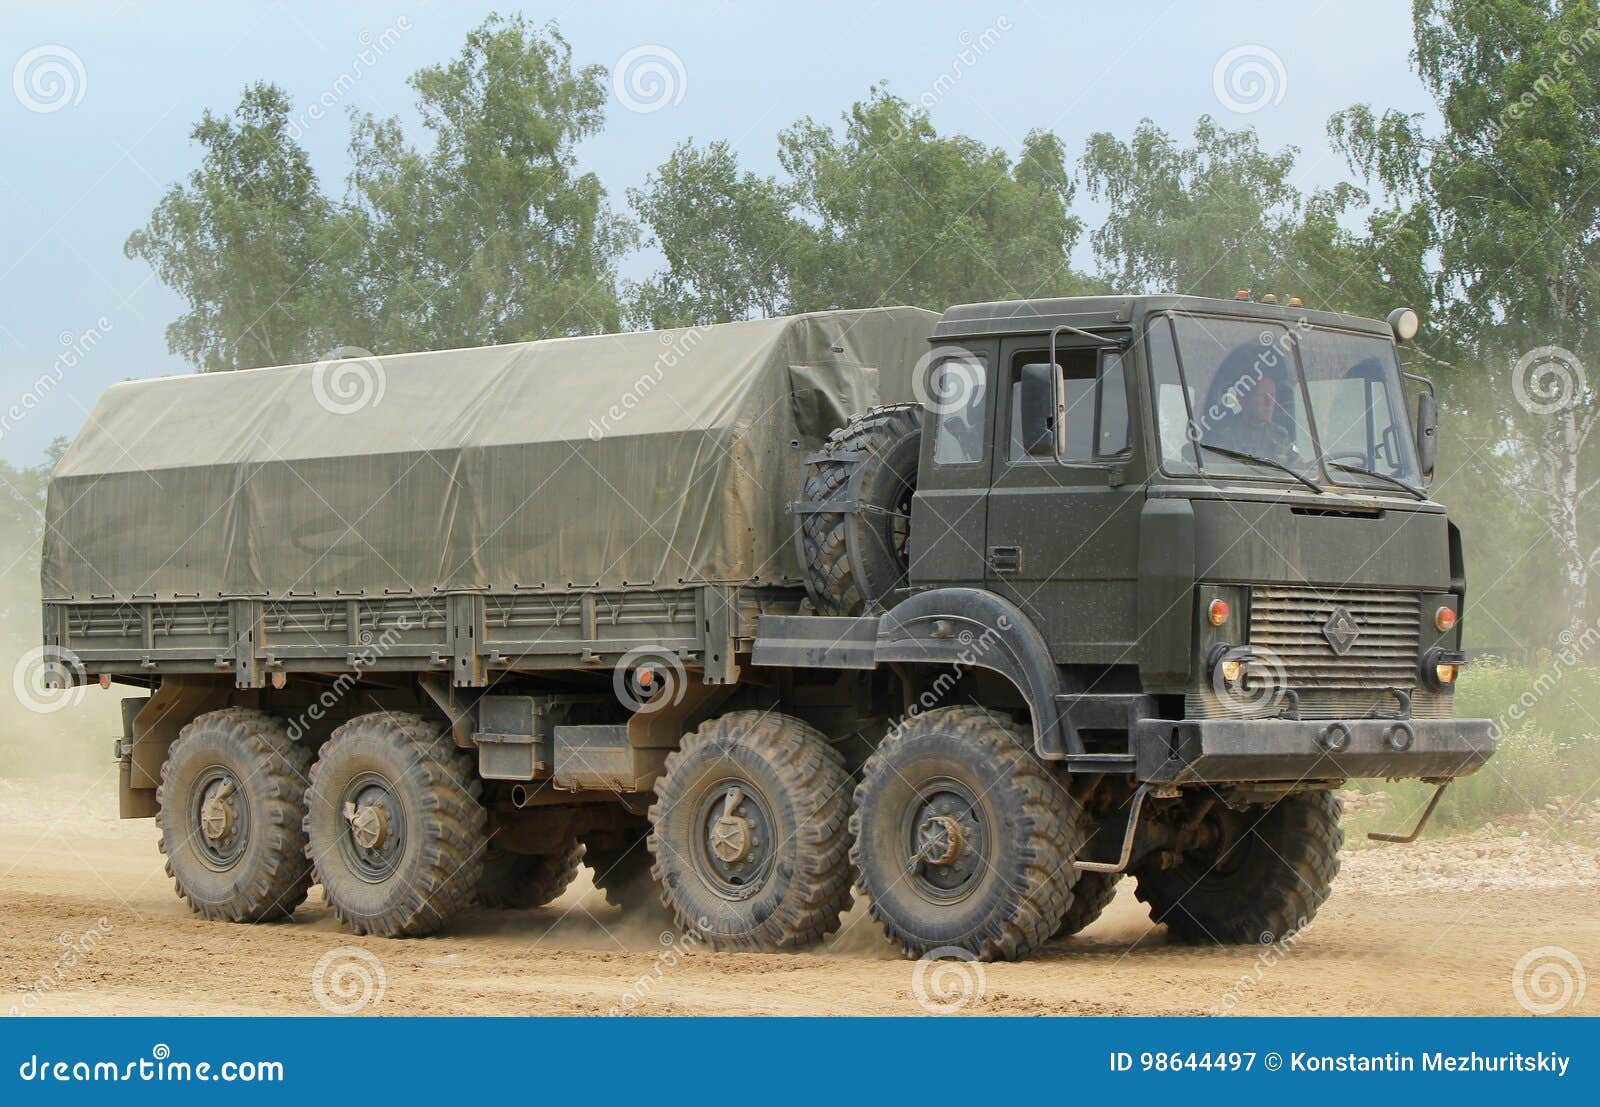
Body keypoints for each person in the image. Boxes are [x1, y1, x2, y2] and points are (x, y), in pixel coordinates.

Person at [1204, 344, 1296, 465]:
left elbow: (1294, 469)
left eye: (1272, 396)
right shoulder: (1224, 435)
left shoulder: (1280, 436)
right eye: (1262, 395)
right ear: (1242, 399)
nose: (1269, 403)